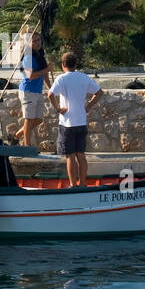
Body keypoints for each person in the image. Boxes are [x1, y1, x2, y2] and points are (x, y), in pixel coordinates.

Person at [48, 51, 100, 188]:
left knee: (70, 156)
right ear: (75, 64)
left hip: (67, 123)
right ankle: (83, 184)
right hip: (81, 122)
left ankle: (72, 184)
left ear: (63, 64)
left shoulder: (61, 79)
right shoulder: (83, 77)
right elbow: (99, 92)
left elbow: (50, 94)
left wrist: (58, 108)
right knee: (81, 155)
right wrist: (88, 106)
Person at [16, 31, 50, 148]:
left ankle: (17, 135)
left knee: (39, 119)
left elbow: (45, 75)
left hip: (37, 91)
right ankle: (27, 146)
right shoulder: (28, 56)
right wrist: (47, 69)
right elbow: (31, 75)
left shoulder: (40, 55)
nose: (37, 43)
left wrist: (51, 88)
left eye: (38, 40)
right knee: (29, 120)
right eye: (34, 41)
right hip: (28, 91)